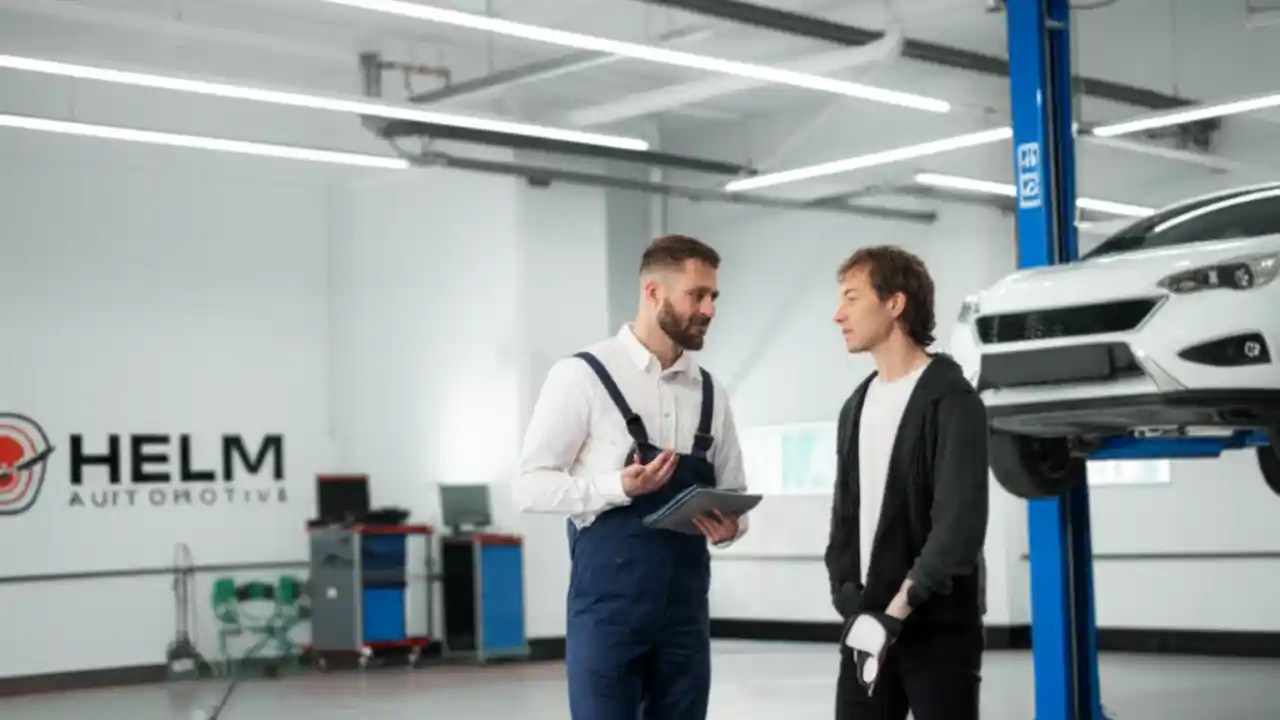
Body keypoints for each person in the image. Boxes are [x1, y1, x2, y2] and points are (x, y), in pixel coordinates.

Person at [516, 234, 749, 720]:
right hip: (608, 615)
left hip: (685, 615)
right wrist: (618, 487)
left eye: (714, 297)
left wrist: (732, 526)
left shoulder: (710, 393)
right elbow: (529, 486)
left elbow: (733, 495)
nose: (708, 309)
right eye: (696, 295)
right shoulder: (582, 376)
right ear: (653, 293)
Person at [824, 246, 989, 720]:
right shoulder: (855, 407)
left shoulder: (952, 402)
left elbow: (959, 527)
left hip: (935, 626)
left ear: (894, 304)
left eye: (852, 299)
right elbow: (845, 516)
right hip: (867, 622)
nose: (839, 315)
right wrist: (847, 594)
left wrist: (899, 608)